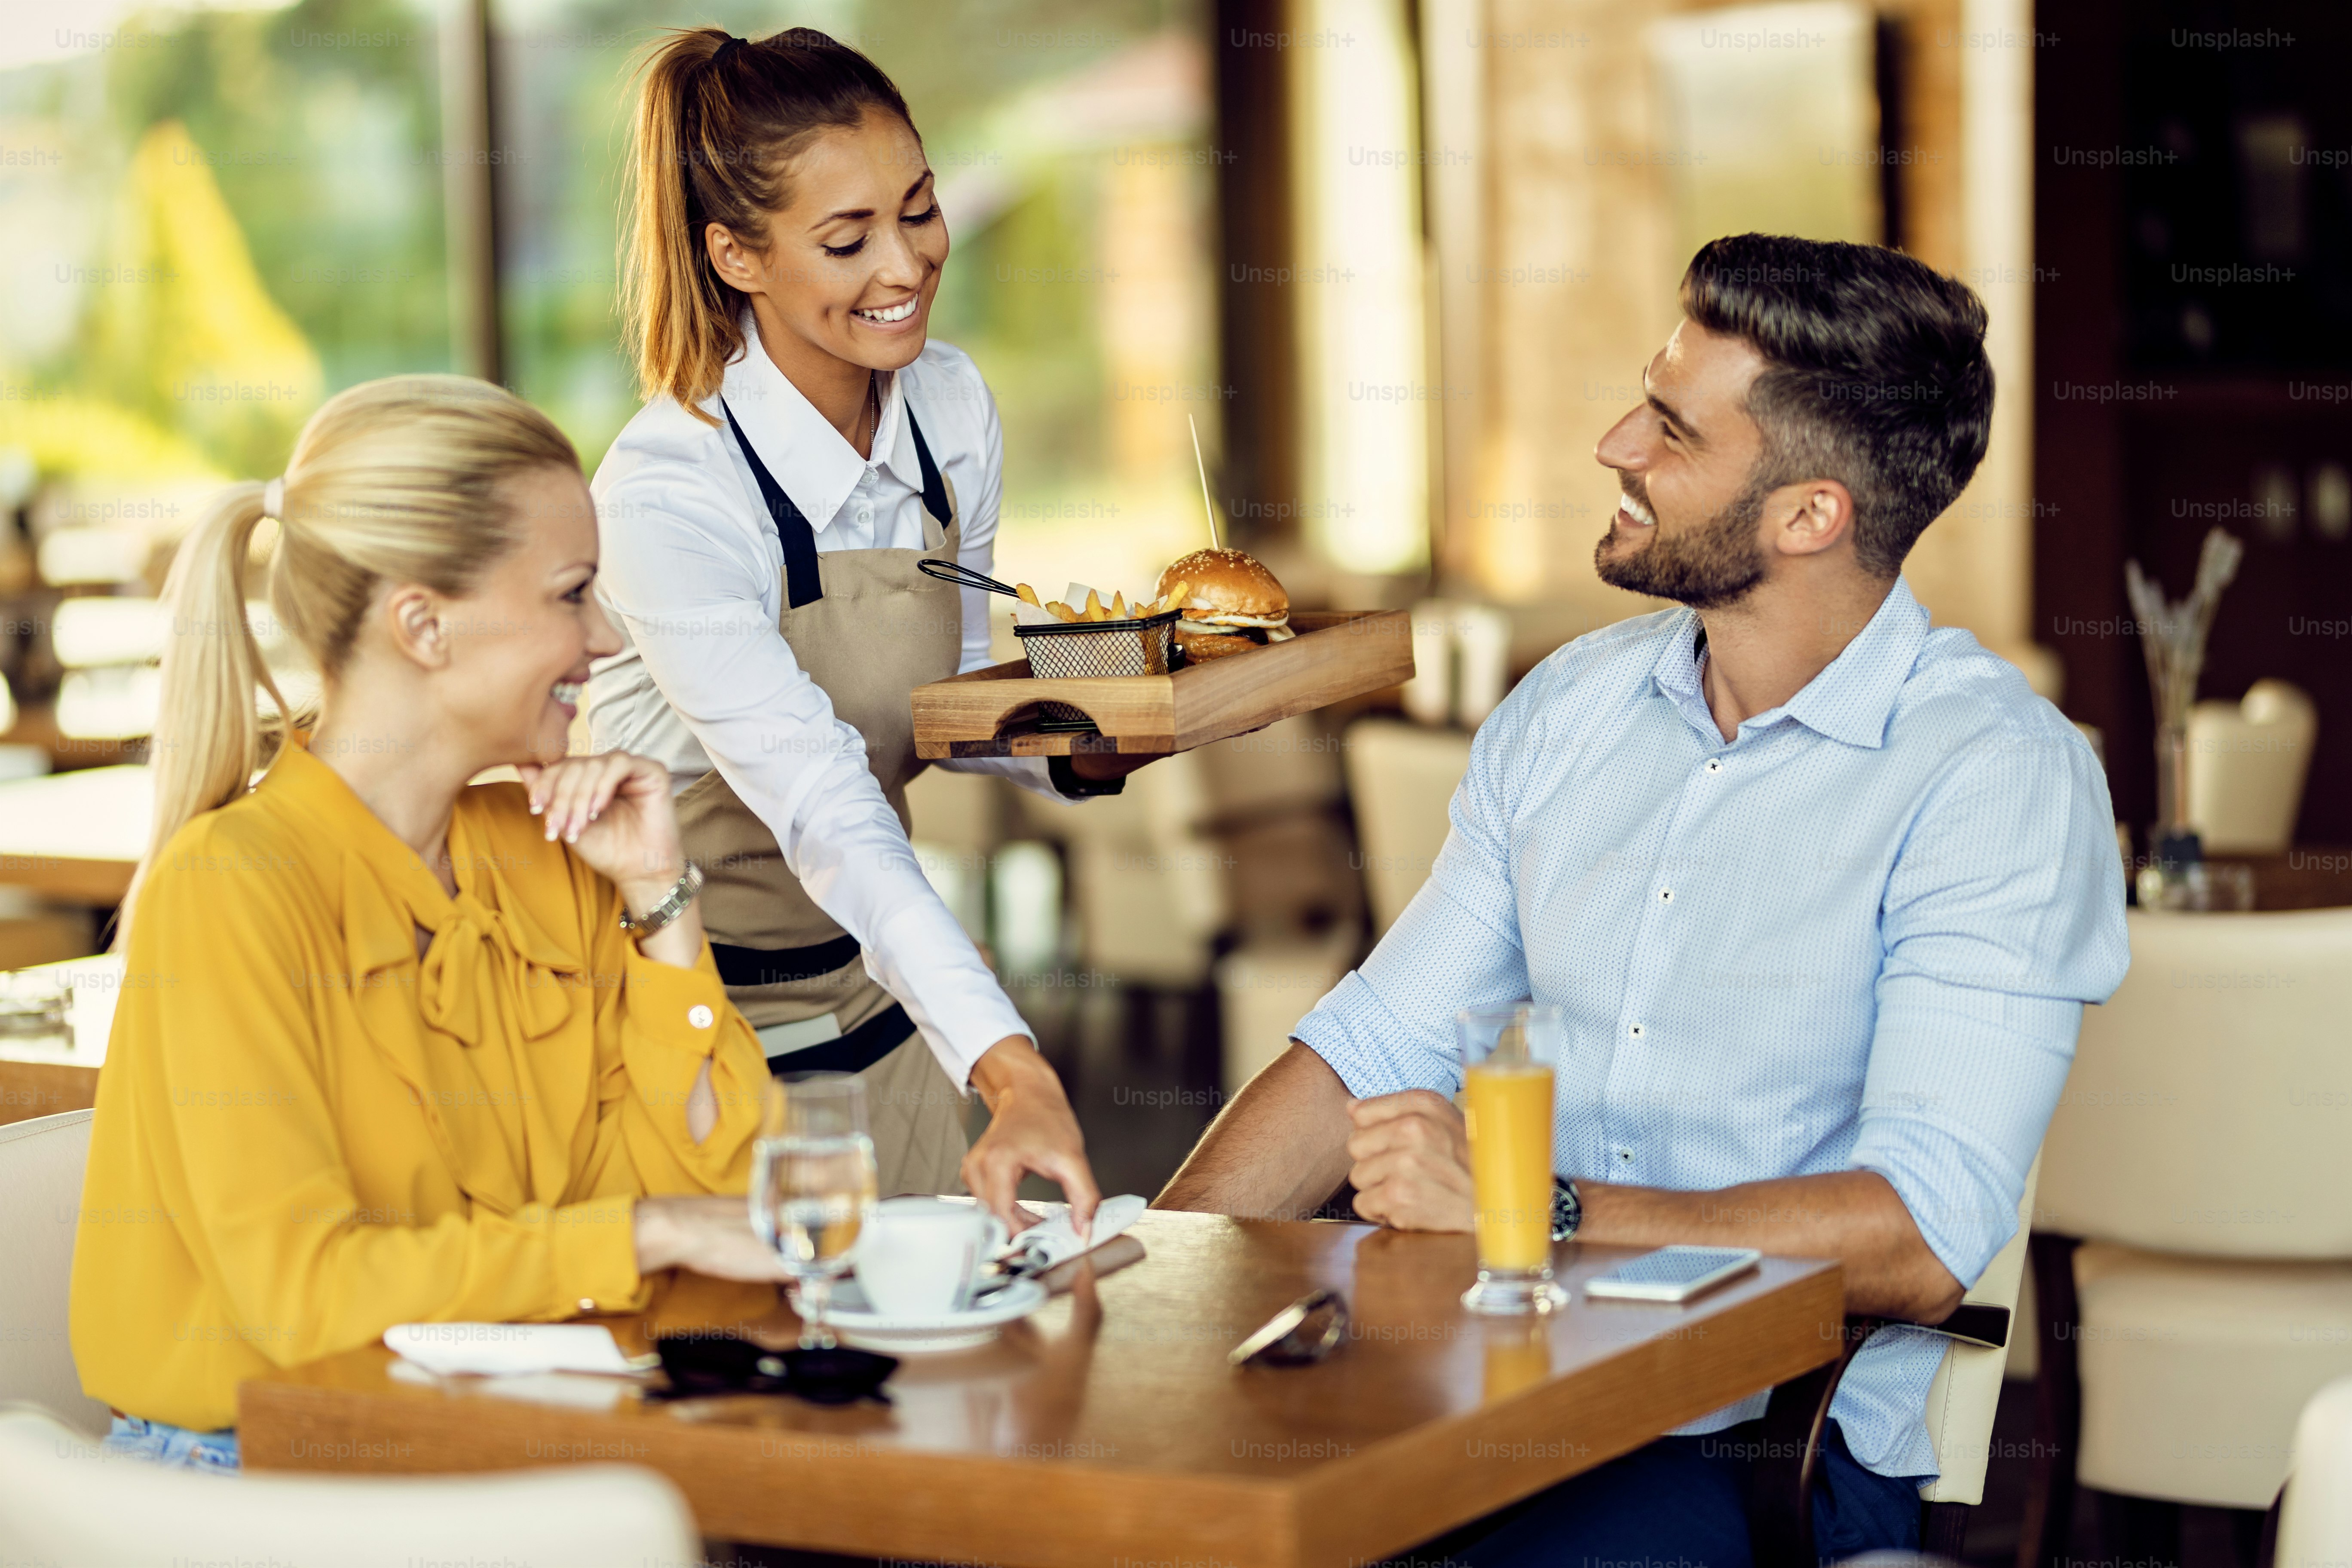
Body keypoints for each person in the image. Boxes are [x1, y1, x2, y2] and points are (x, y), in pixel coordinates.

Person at [1157, 234, 2132, 1562]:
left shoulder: (1995, 779)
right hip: (1487, 1379)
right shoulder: (1573, 704)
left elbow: (1916, 1234)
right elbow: (1376, 1046)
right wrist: (1145, 1288)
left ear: (1809, 515)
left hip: (1762, 1441)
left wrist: (1528, 1211)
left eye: (1672, 429)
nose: (1617, 443)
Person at [70, 376, 792, 1470]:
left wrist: (663, 904)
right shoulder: (228, 892)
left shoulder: (557, 853)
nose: (604, 638)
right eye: (572, 593)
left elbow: (726, 1202)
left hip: (511, 1439)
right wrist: (634, 1236)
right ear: (423, 625)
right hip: (254, 1481)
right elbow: (307, 1298)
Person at [589, 27, 1126, 1218]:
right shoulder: (673, 492)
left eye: (920, 210)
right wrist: (1012, 1061)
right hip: (686, 1021)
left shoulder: (948, 408)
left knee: (954, 1374)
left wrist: (1101, 736)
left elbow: (963, 690)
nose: (907, 263)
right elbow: (828, 802)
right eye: (848, 240)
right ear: (735, 256)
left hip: (866, 986)